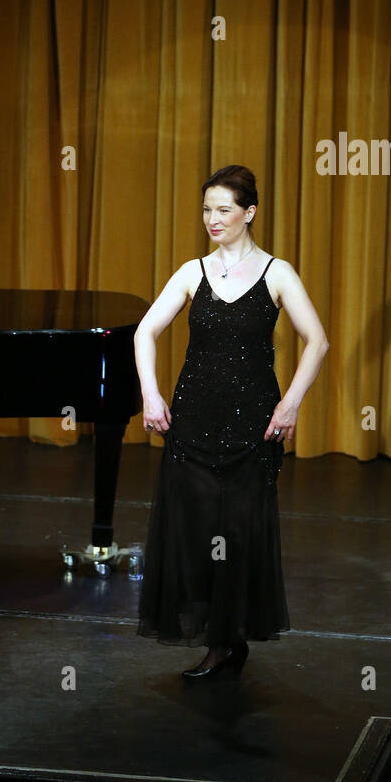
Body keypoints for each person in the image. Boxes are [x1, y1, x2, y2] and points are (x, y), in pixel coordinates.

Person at [134, 165, 329, 679]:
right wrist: (151, 395)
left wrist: (290, 404)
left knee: (238, 536)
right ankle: (221, 640)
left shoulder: (277, 273)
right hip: (193, 425)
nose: (212, 219)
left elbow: (318, 340)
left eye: (224, 209)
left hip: (253, 428)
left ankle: (228, 640)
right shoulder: (192, 272)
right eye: (206, 209)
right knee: (198, 534)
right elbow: (144, 332)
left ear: (250, 212)